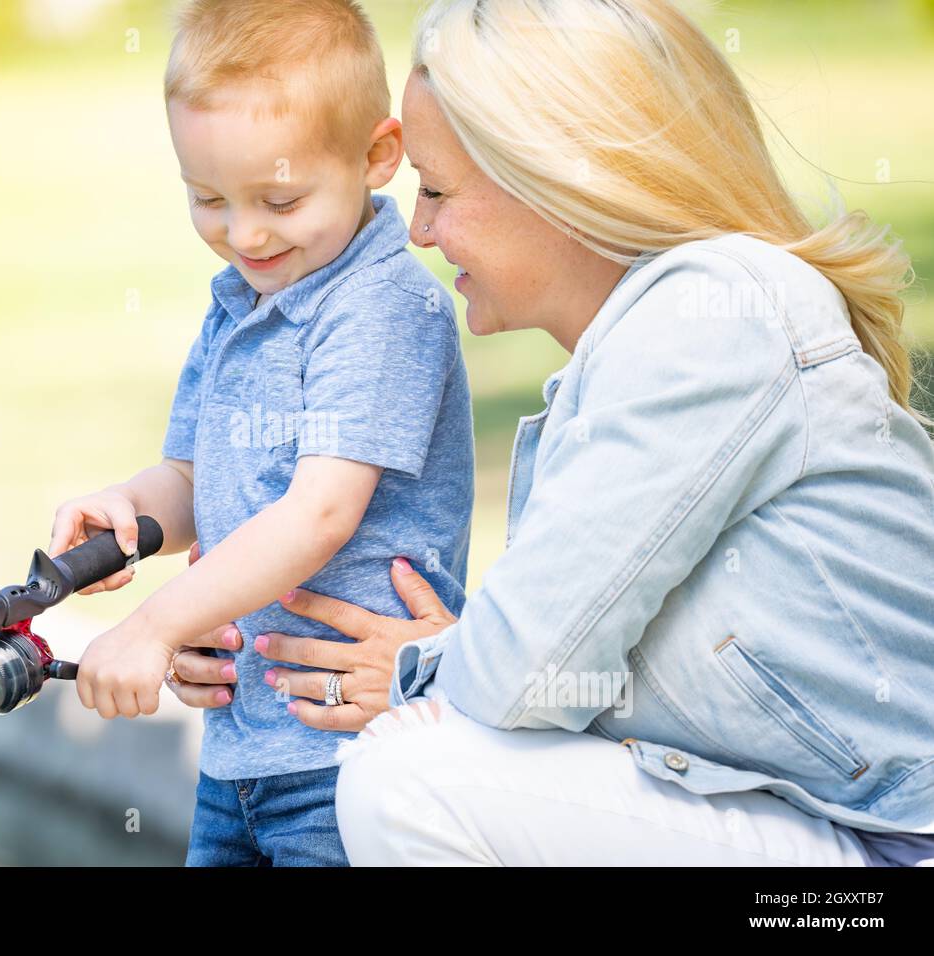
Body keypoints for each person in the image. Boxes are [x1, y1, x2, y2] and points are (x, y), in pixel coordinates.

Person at [171, 0, 934, 866]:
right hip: (815, 829)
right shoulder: (629, 357)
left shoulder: (712, 320)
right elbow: (546, 667)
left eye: (441, 189)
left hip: (886, 848)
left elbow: (526, 671)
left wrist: (423, 667)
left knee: (409, 778)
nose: (418, 228)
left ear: (556, 179)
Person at [48, 0, 474, 866]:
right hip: (239, 756)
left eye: (279, 199)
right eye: (207, 199)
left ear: (377, 158)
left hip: (346, 756)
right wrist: (127, 509)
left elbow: (321, 513)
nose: (242, 234)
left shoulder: (383, 308)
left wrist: (154, 626)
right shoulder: (241, 304)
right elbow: (190, 475)